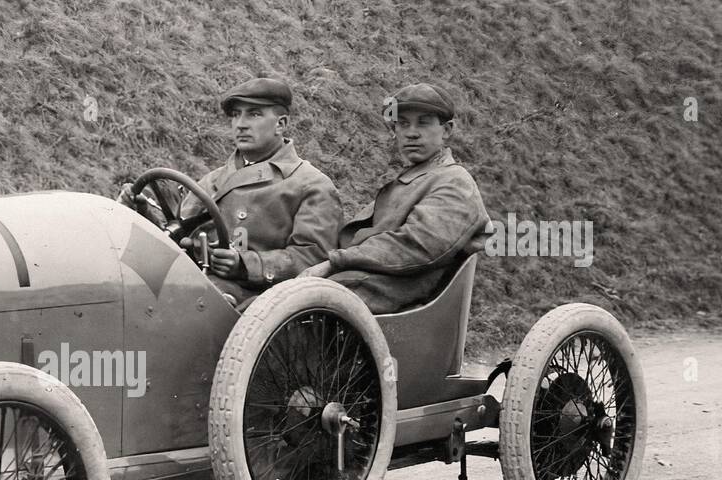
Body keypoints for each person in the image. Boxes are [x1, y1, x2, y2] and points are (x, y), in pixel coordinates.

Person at [119, 77, 342, 306]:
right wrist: (143, 213)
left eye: (254, 114)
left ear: (281, 124)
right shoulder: (212, 180)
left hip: (260, 304)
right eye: (236, 114)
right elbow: (179, 238)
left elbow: (313, 259)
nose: (241, 124)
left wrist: (245, 264)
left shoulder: (312, 185)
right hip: (194, 284)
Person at [297, 82, 490, 313]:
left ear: (447, 130)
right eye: (403, 124)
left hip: (397, 296)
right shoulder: (415, 179)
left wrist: (334, 262)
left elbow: (416, 246)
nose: (411, 132)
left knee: (292, 304)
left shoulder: (455, 182)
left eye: (424, 123)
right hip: (370, 286)